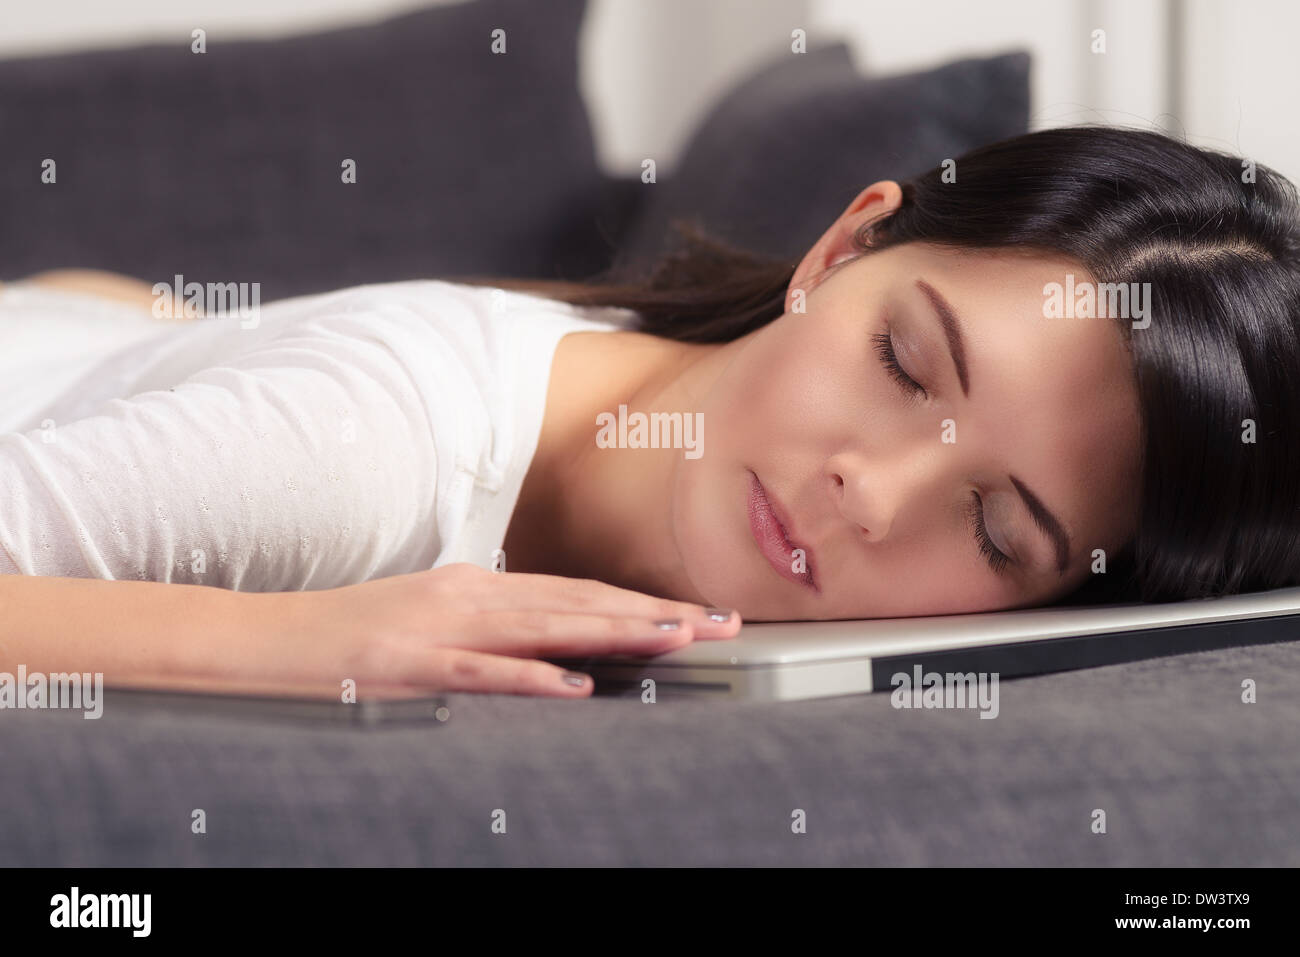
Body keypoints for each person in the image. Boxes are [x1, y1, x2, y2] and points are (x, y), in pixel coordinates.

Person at [2, 124, 1297, 698]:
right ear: (841, 250)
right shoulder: (367, 451)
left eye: (998, 530)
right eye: (907, 365)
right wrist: (296, 640)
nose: (873, 490)